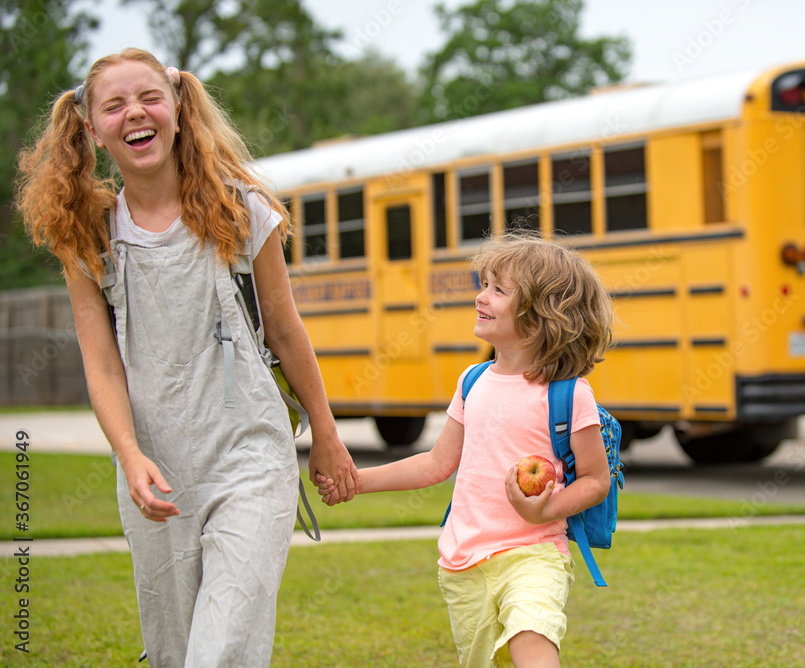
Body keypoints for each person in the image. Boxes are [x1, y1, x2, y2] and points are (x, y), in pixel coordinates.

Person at [16, 48, 358, 666]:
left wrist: (327, 434)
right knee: (176, 653)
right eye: (114, 106)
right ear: (91, 130)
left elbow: (284, 329)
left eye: (148, 97)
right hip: (156, 471)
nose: (135, 114)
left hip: (250, 456)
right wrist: (129, 456)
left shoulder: (241, 210)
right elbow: (101, 365)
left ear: (176, 105)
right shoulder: (88, 237)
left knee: (218, 648)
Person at [320, 232, 615, 667]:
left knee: (533, 639)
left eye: (498, 289)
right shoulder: (471, 382)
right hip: (463, 563)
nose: (481, 296)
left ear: (540, 314)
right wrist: (358, 482)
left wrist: (542, 513)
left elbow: (596, 480)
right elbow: (436, 464)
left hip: (533, 554)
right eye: (484, 284)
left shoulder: (569, 394)